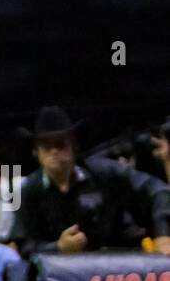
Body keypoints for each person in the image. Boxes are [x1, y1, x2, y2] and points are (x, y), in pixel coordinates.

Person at [11, 106, 170, 258]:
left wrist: (163, 234)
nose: (54, 152)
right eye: (46, 146)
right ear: (36, 152)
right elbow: (23, 245)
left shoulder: (105, 172)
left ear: (74, 146)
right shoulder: (25, 190)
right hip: (59, 275)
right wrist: (58, 247)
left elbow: (158, 190)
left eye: (60, 144)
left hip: (118, 263)